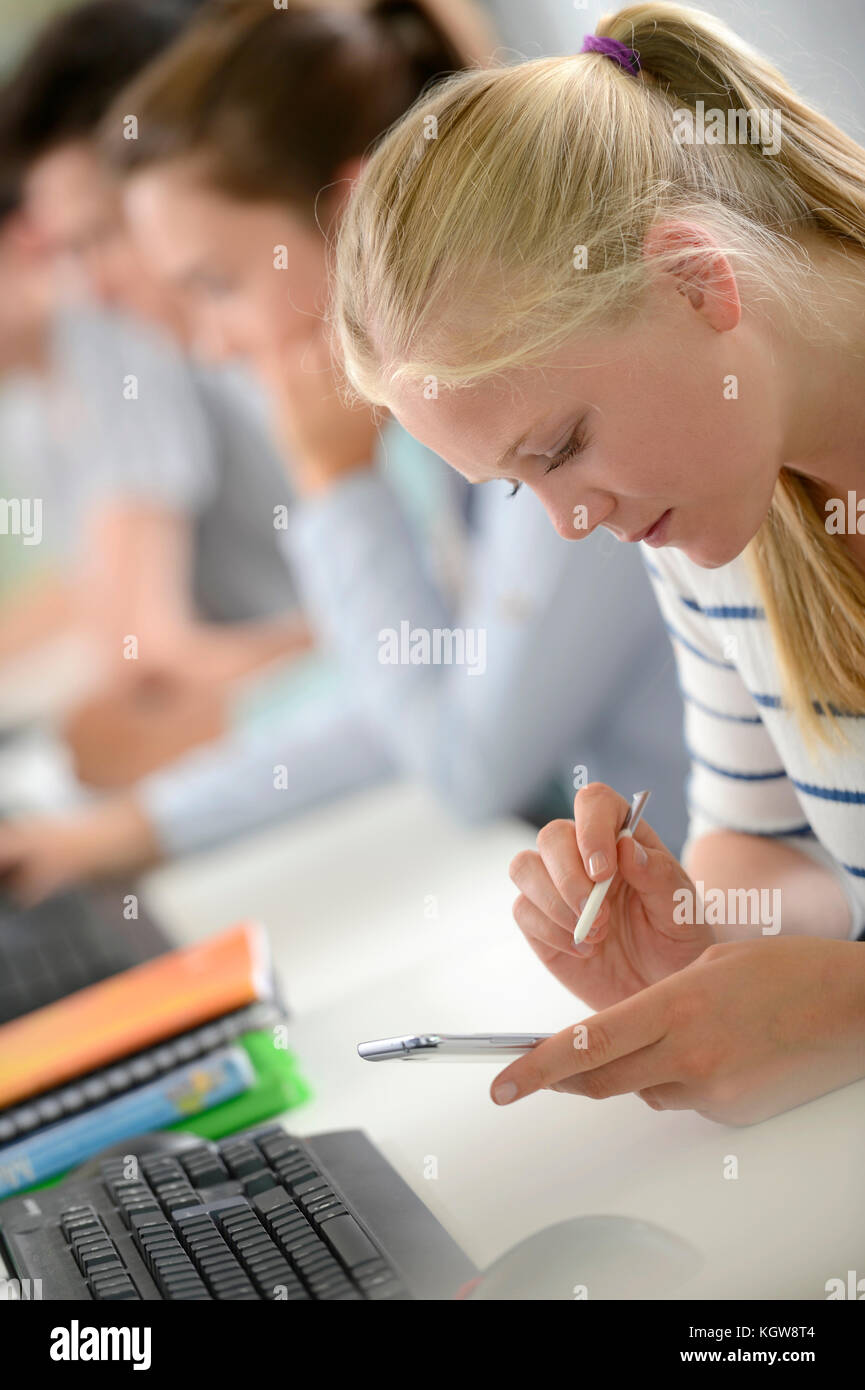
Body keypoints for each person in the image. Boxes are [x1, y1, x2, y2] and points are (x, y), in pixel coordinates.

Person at [0, 0, 689, 901]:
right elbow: (436, 681)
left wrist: (334, 484)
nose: (100, 290)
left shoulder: (545, 408)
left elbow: (462, 756)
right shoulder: (436, 413)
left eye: (210, 279)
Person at [331, 1, 865, 1124]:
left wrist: (846, 1011)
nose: (571, 522)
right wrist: (699, 941)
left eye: (562, 446)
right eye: (523, 487)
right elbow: (777, 853)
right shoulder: (715, 511)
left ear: (692, 279)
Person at [0, 0, 311, 789]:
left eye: (101, 235)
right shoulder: (39, 403)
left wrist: (390, 643)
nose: (92, 284)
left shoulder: (117, 346)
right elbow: (100, 610)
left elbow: (140, 661)